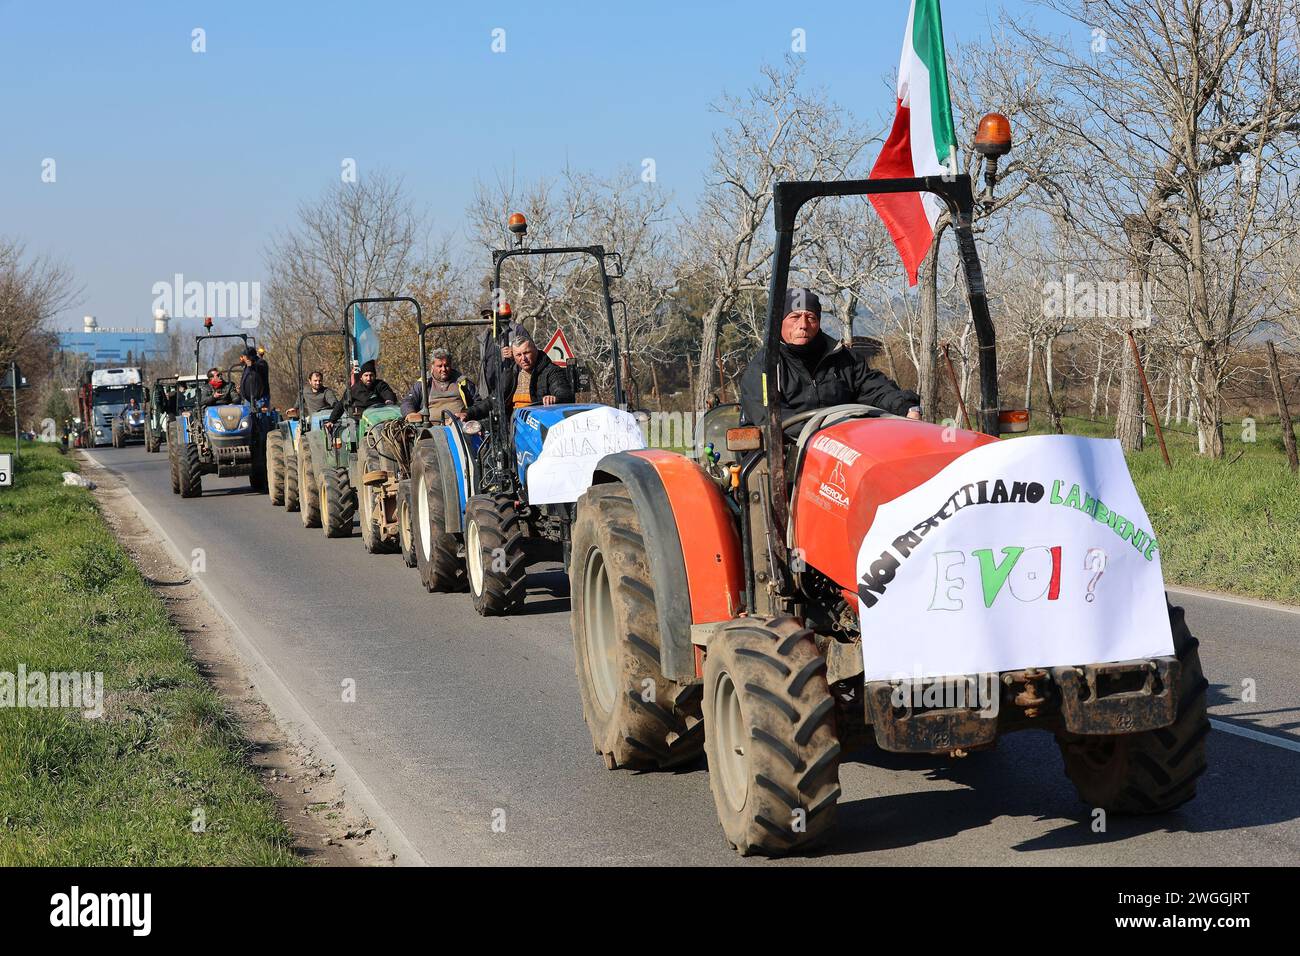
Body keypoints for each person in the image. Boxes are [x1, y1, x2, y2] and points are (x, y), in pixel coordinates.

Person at [740, 288, 921, 429]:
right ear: (779, 322)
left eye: (810, 317)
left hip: (842, 444)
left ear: (818, 322)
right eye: (794, 317)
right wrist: (817, 433)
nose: (803, 325)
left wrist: (904, 407)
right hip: (788, 449)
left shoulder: (844, 358)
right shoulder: (765, 366)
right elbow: (766, 414)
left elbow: (875, 388)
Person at [465, 329, 573, 420]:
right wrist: (468, 413)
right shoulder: (510, 374)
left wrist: (555, 399)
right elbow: (493, 400)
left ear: (535, 350)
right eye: (518, 355)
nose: (523, 359)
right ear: (514, 356)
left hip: (539, 424)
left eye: (526, 353)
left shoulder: (551, 371)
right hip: (514, 426)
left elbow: (565, 394)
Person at [401, 349, 479, 420]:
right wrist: (410, 413)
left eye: (446, 365)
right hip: (429, 429)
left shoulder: (463, 382)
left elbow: (478, 401)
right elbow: (407, 401)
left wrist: (467, 413)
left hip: (459, 426)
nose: (443, 369)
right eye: (439, 366)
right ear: (432, 367)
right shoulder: (423, 383)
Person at [327, 359, 397, 426]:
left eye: (371, 375)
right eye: (366, 375)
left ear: (375, 376)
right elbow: (341, 404)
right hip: (361, 421)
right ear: (361, 377)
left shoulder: (380, 384)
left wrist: (389, 400)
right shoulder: (354, 389)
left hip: (380, 417)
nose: (369, 378)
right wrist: (331, 421)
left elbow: (387, 392)